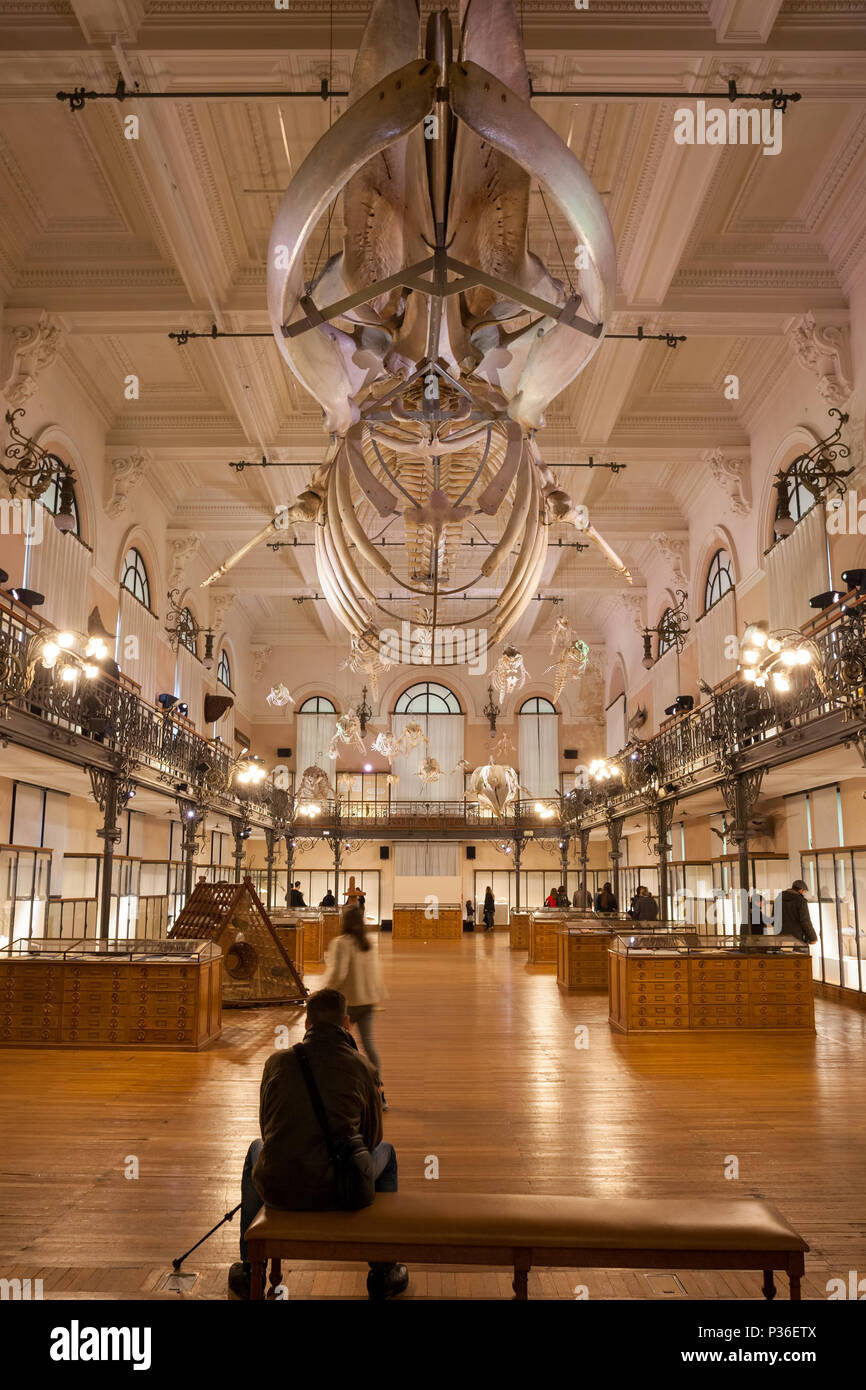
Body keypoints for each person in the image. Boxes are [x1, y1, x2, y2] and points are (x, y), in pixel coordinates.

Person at [229, 987, 408, 1302]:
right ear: (347, 1024)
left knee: (256, 1150)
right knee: (387, 1154)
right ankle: (383, 1271)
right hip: (342, 1187)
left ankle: (248, 1268)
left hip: (280, 1186)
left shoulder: (277, 1063)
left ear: (307, 1025)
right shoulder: (363, 1068)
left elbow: (267, 1129)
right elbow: (371, 1139)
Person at [320, 906, 388, 1107]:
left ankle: (340, 1091)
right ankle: (378, 1092)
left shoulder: (342, 943)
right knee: (369, 1045)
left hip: (346, 1005)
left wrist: (323, 991)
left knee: (338, 1047)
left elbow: (338, 974)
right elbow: (376, 973)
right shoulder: (368, 944)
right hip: (368, 1001)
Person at [776, 880, 818, 944]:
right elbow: (805, 921)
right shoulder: (801, 901)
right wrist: (812, 937)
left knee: (783, 953)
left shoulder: (778, 899)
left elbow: (774, 919)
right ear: (800, 890)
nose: (804, 893)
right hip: (797, 939)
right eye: (804, 891)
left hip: (781, 938)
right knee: (797, 954)